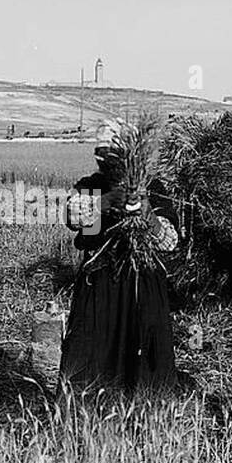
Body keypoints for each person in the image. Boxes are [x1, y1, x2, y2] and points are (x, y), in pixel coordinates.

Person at [58, 121, 182, 397]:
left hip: (144, 287)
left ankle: (144, 424)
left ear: (128, 153)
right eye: (99, 153)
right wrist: (109, 200)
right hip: (100, 285)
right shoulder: (89, 186)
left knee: (143, 366)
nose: (104, 160)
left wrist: (147, 214)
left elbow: (170, 242)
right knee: (91, 359)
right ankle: (86, 427)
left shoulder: (152, 187)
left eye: (110, 153)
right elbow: (74, 218)